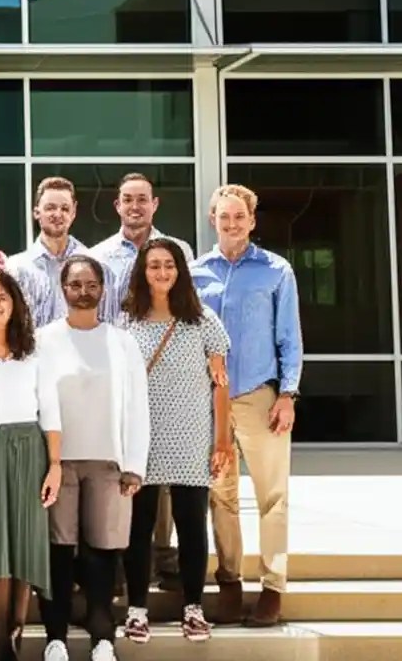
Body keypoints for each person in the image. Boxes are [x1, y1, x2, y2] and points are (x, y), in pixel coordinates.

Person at [191, 184, 302, 628]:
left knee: (272, 496)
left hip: (260, 396)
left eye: (240, 216)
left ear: (252, 221)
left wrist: (288, 394)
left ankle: (273, 588)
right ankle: (230, 584)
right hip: (209, 399)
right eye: (224, 217)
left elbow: (289, 338)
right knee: (221, 496)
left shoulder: (276, 271)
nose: (232, 224)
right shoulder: (196, 274)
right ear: (212, 220)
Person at [35, 255, 150, 661]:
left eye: (91, 284)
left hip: (108, 462)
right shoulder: (43, 339)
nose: (83, 291)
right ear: (62, 289)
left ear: (103, 289)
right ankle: (56, 638)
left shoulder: (122, 341)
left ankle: (103, 636)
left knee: (103, 553)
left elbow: (138, 405)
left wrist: (135, 463)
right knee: (59, 553)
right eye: (75, 284)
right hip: (58, 462)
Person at [119, 238, 232, 644]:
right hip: (141, 439)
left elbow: (221, 385)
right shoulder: (126, 323)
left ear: (180, 271)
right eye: (154, 266)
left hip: (191, 435)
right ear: (142, 272)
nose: (162, 273)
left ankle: (194, 607)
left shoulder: (203, 322)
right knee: (139, 526)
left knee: (190, 525)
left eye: (169, 265)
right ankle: (136, 609)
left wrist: (222, 442)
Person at [89, 171, 194, 591]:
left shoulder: (179, 250)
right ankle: (123, 560)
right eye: (127, 199)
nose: (135, 206)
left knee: (167, 474)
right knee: (127, 469)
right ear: (117, 206)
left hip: (171, 378)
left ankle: (164, 559)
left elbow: (189, 309)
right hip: (119, 376)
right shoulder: (99, 255)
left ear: (155, 204)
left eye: (142, 199)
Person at [0, 268, 61, 661]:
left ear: (15, 303)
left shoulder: (34, 353)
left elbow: (50, 411)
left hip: (27, 448)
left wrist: (54, 464)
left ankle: (15, 637)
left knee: (23, 544)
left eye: (2, 297)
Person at [7, 177, 120, 327]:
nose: (58, 214)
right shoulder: (16, 269)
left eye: (65, 208)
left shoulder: (96, 265)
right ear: (36, 212)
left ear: (74, 213)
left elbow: (108, 323)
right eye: (50, 208)